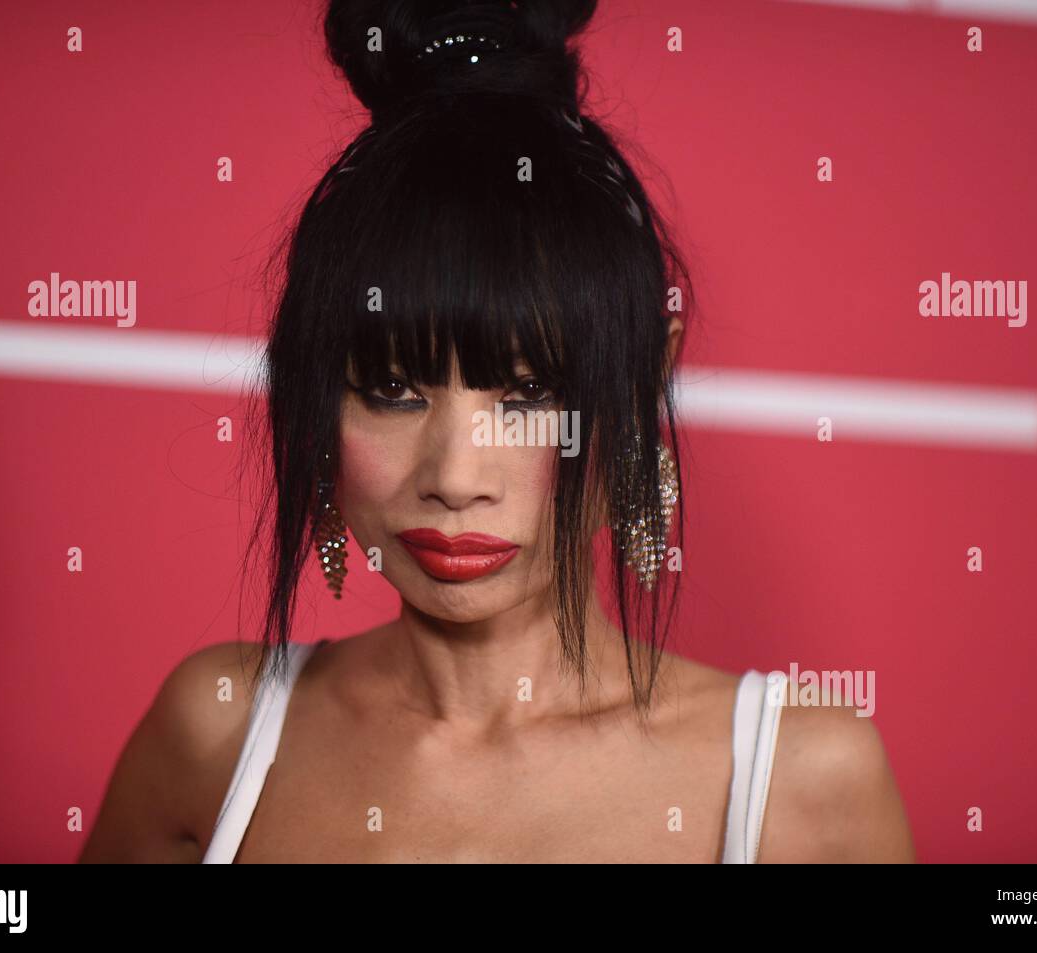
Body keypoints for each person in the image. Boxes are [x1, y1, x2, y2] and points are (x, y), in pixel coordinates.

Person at [79, 0, 914, 864]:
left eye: (528, 392)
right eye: (392, 387)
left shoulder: (801, 782)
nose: (454, 473)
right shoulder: (214, 732)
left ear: (641, 387)